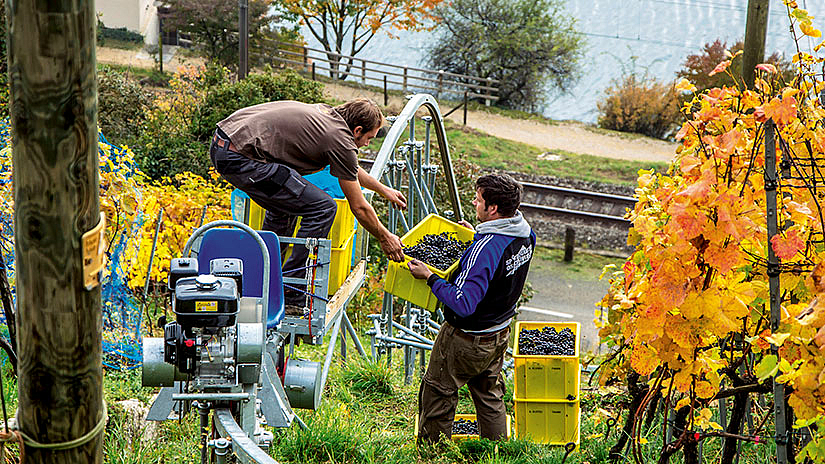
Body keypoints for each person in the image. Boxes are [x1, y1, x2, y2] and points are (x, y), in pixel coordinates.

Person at [209, 98, 406, 306]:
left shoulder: (328, 117)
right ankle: (291, 289)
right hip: (238, 158)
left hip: (226, 145)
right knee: (323, 208)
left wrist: (383, 190)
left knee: (285, 204)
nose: (367, 144)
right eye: (368, 138)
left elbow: (350, 168)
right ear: (357, 130)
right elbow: (359, 207)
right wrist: (385, 237)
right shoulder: (339, 139)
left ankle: (265, 276)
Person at [408, 173, 535, 443]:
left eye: (478, 200)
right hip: (498, 333)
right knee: (490, 395)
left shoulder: (486, 249)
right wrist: (479, 235)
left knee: (438, 393)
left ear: (493, 208)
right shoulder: (525, 234)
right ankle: (496, 451)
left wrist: (430, 277)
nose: (474, 203)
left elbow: (463, 303)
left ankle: (432, 454)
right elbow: (499, 265)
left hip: (466, 339)